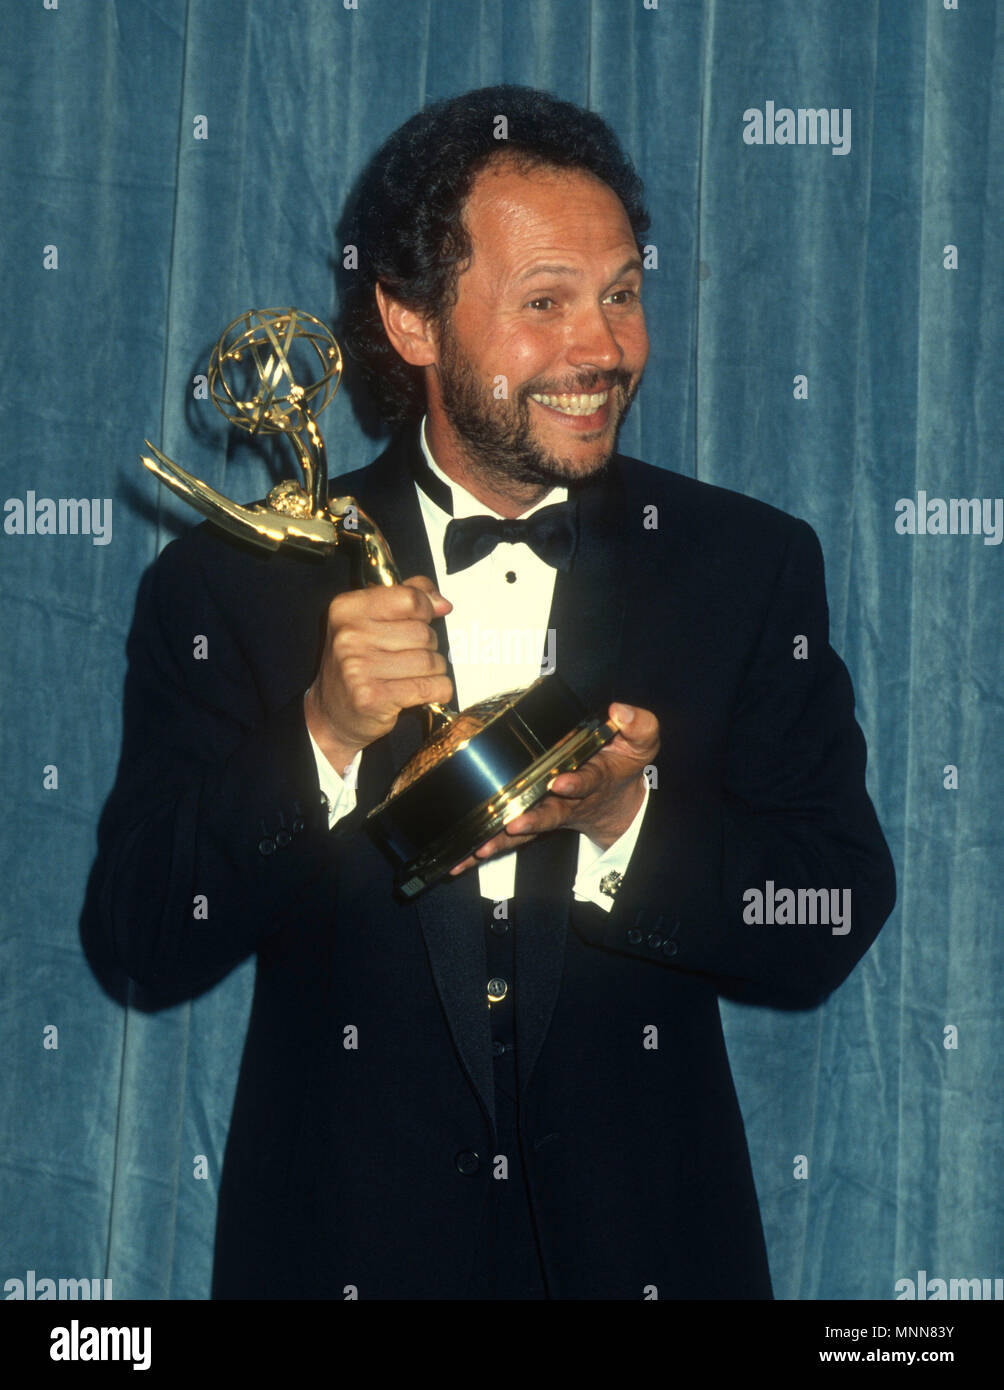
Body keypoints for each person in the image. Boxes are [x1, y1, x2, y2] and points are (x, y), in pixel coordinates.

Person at [87, 85, 896, 1300]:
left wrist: (627, 824)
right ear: (409, 319)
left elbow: (826, 913)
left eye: (621, 292)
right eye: (545, 302)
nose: (603, 348)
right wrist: (320, 736)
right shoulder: (229, 585)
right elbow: (141, 939)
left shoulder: (743, 564)